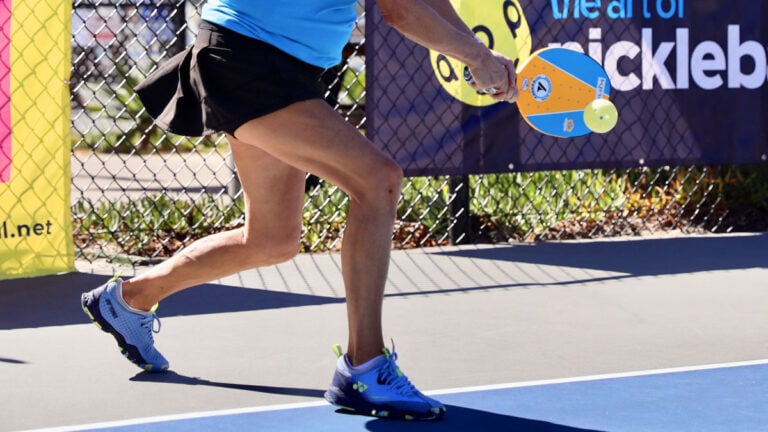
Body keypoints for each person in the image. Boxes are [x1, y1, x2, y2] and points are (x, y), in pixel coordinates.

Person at [80, 0, 518, 421]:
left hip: (278, 64)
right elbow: (399, 9)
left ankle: (129, 299)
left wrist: (477, 53)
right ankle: (365, 368)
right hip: (247, 58)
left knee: (271, 240)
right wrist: (476, 56)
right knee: (377, 180)